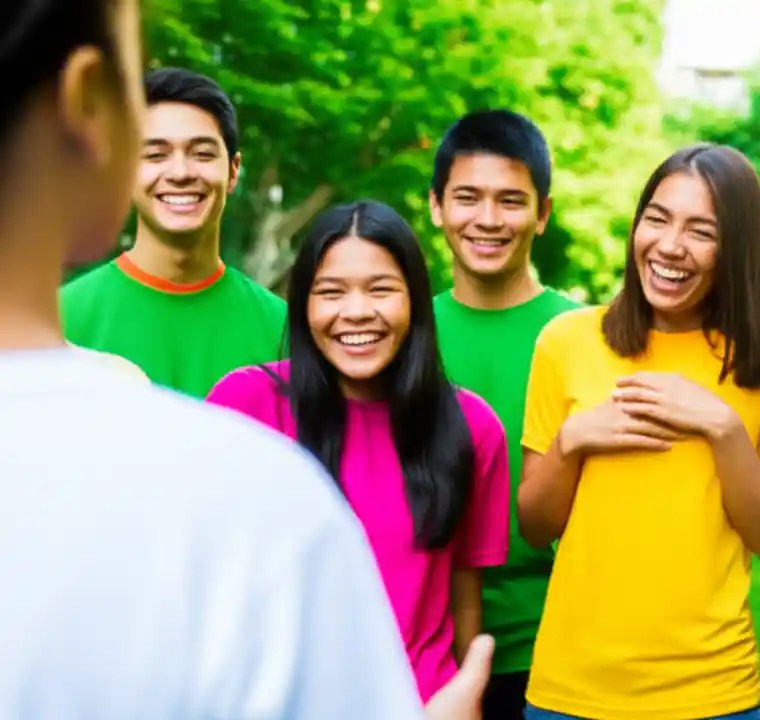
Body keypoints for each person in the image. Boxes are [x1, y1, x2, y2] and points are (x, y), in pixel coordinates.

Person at [0, 0, 491, 717]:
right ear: (86, 103)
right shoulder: (270, 499)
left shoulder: (280, 345)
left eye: (200, 152)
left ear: (233, 172)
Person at [517, 144, 760, 719]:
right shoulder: (567, 341)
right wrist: (573, 441)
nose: (669, 246)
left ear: (736, 250)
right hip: (570, 691)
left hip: (712, 693)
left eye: (700, 230)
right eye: (657, 218)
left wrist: (722, 427)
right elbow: (534, 525)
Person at [207, 200, 511, 703]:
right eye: (331, 292)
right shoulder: (246, 405)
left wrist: (466, 696)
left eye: (381, 289)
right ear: (304, 304)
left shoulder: (471, 425)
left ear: (415, 300)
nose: (356, 312)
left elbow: (464, 596)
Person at [429, 109, 580, 718]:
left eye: (511, 201)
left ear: (542, 213)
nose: (488, 220)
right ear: (437, 206)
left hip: (563, 646)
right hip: (428, 647)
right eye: (468, 197)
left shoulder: (583, 336)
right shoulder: (398, 332)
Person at [61, 66, 286, 398]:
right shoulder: (60, 321)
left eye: (202, 154)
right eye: (155, 155)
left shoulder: (282, 330)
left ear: (233, 170)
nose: (180, 172)